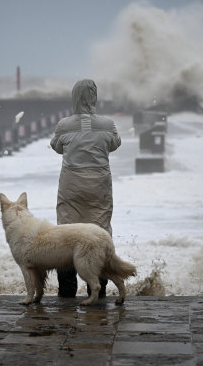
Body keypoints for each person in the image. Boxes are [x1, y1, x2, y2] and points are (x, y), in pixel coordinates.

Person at [50, 79, 121, 298]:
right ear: (94, 98)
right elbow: (115, 144)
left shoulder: (64, 124)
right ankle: (97, 291)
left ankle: (67, 290)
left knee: (67, 234)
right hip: (98, 185)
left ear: (74, 98)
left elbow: (57, 147)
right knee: (99, 233)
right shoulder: (108, 124)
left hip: (72, 185)